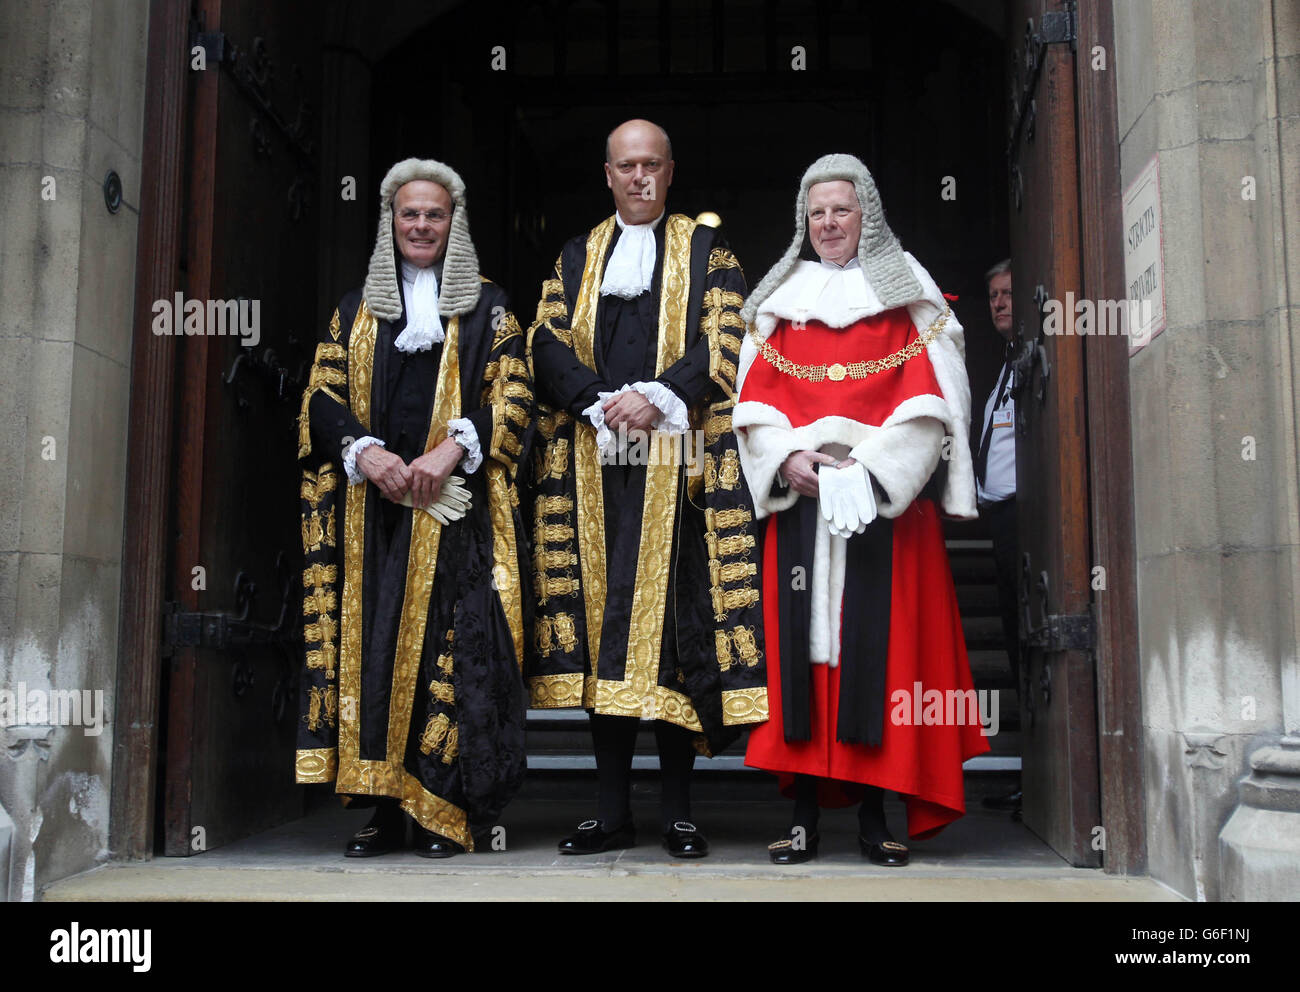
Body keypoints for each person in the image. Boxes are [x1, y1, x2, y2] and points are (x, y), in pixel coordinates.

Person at [735, 153, 990, 866]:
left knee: (885, 664)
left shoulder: (909, 292)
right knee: (805, 665)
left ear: (866, 214)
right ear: (803, 221)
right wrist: (786, 459)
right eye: (816, 213)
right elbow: (751, 402)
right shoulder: (780, 300)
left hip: (886, 509)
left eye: (841, 210)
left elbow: (933, 399)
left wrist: (871, 475)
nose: (828, 223)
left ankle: (880, 816)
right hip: (803, 505)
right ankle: (803, 816)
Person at [525, 119, 767, 859]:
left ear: (670, 172)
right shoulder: (577, 255)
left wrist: (660, 394)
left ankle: (679, 813)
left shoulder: (708, 250)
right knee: (605, 643)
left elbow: (729, 335)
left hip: (678, 473)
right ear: (607, 174)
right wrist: (598, 399)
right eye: (626, 166)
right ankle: (609, 812)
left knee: (669, 645)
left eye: (651, 166)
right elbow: (543, 338)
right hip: (595, 468)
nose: (638, 178)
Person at [294, 158, 532, 858]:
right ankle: (383, 811)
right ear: (390, 223)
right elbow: (319, 397)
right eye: (409, 214)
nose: (421, 225)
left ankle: (443, 808)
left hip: (454, 514)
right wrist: (364, 453)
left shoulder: (490, 306)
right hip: (374, 516)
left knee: (450, 656)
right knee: (371, 655)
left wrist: (451, 450)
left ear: (453, 222)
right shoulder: (355, 310)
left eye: (434, 214)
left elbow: (515, 399)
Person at [976, 258, 1022, 813]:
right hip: (1001, 518)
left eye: (1008, 293)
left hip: (1030, 519)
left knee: (1028, 643)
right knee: (1015, 642)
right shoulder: (1009, 364)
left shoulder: (1043, 360)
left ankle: (1048, 781)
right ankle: (1035, 778)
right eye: (993, 296)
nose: (1000, 303)